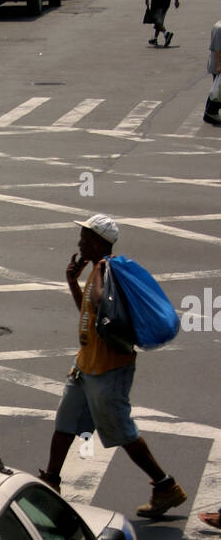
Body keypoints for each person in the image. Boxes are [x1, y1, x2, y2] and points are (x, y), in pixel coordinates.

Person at [38, 215, 187, 520]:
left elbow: (101, 307)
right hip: (85, 367)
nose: (79, 243)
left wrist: (95, 275)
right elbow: (90, 312)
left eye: (84, 238)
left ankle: (165, 486)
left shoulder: (106, 271)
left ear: (97, 242)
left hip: (109, 371)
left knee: (122, 432)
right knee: (64, 424)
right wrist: (72, 281)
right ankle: (51, 481)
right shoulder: (98, 270)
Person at [204, 13, 221, 126]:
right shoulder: (219, 28)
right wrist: (219, 65)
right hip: (218, 62)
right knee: (218, 89)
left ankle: (209, 113)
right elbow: (216, 49)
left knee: (217, 88)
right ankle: (210, 113)